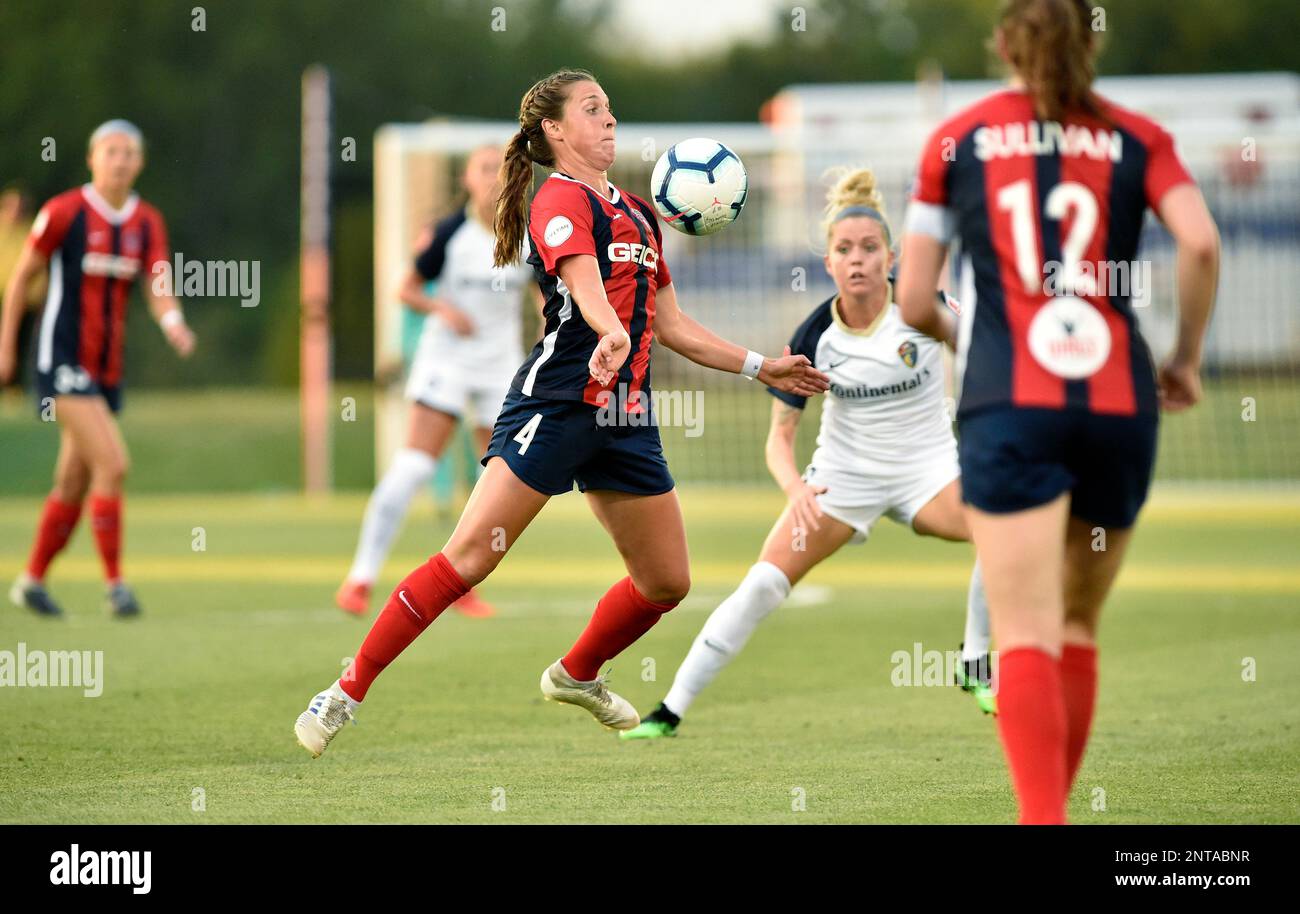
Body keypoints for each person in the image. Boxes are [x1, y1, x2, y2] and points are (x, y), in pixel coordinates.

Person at [294, 68, 828, 757]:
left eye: (610, 108)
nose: (610, 119)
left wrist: (762, 365)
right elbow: (583, 284)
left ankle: (577, 672)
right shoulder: (559, 201)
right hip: (558, 405)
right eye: (592, 109)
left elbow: (672, 325)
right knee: (467, 559)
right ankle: (344, 691)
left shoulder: (639, 211)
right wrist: (608, 333)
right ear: (555, 130)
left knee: (666, 582)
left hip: (626, 414)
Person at [897, 0, 1219, 823]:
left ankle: (1044, 821)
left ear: (1002, 44)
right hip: (1118, 399)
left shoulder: (955, 140)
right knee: (1076, 623)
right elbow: (1202, 242)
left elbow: (911, 298)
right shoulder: (1139, 137)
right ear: (1093, 41)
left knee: (1024, 631)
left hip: (1011, 402)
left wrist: (963, 333)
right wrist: (1183, 358)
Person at [623, 166, 993, 741]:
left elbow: (990, 359)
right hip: (840, 482)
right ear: (828, 263)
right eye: (844, 249)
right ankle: (668, 710)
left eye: (870, 249)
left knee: (1003, 528)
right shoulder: (816, 335)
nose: (857, 259)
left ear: (892, 259)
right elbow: (778, 438)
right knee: (763, 586)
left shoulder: (927, 310)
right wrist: (796, 489)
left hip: (929, 475)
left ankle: (974, 663)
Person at [0, 120, 196, 618]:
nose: (121, 160)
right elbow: (22, 278)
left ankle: (31, 581)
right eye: (112, 151)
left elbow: (157, 282)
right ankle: (116, 587)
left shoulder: (146, 221)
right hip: (61, 361)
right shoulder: (64, 212)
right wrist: (5, 349)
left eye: (130, 152)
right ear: (92, 158)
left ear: (140, 163)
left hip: (106, 369)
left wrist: (173, 322)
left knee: (73, 481)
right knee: (114, 463)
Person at [335, 145, 537, 619]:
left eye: (504, 171)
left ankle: (460, 580)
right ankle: (360, 577)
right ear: (468, 178)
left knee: (496, 480)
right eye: (485, 169)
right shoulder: (448, 235)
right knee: (415, 467)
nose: (495, 178)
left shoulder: (528, 240)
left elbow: (544, 299)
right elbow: (404, 289)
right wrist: (443, 308)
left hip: (499, 365)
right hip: (445, 358)